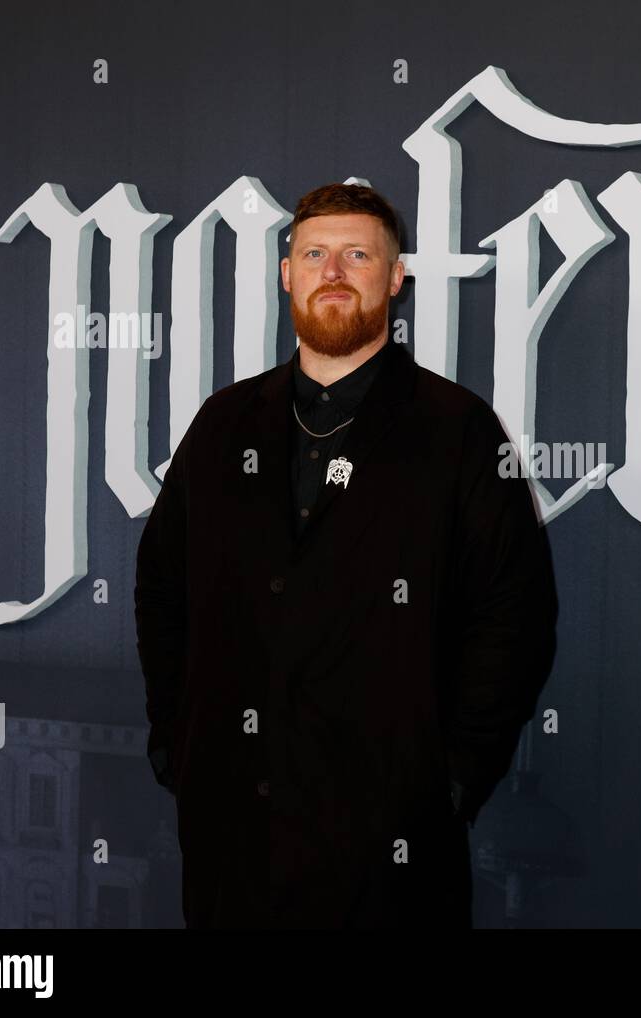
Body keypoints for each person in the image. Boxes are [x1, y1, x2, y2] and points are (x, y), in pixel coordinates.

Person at [133, 182, 559, 928]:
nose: (334, 271)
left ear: (396, 279)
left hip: (391, 858)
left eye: (358, 255)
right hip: (233, 844)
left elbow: (515, 615)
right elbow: (160, 588)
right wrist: (180, 744)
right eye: (315, 254)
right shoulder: (222, 424)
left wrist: (450, 781)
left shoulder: (458, 430)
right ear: (286, 273)